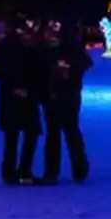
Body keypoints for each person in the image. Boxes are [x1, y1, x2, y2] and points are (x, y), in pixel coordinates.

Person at [0, 17, 42, 185]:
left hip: (8, 96)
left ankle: (9, 172)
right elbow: (33, 70)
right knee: (29, 133)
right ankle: (23, 171)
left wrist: (10, 86)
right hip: (23, 96)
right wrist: (23, 87)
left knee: (12, 136)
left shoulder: (1, 46)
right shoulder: (27, 47)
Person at [40, 20, 92, 183]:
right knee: (55, 134)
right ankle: (53, 171)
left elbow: (85, 63)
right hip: (52, 95)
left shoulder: (70, 46)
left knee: (69, 132)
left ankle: (77, 169)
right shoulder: (46, 48)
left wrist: (70, 69)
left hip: (68, 94)